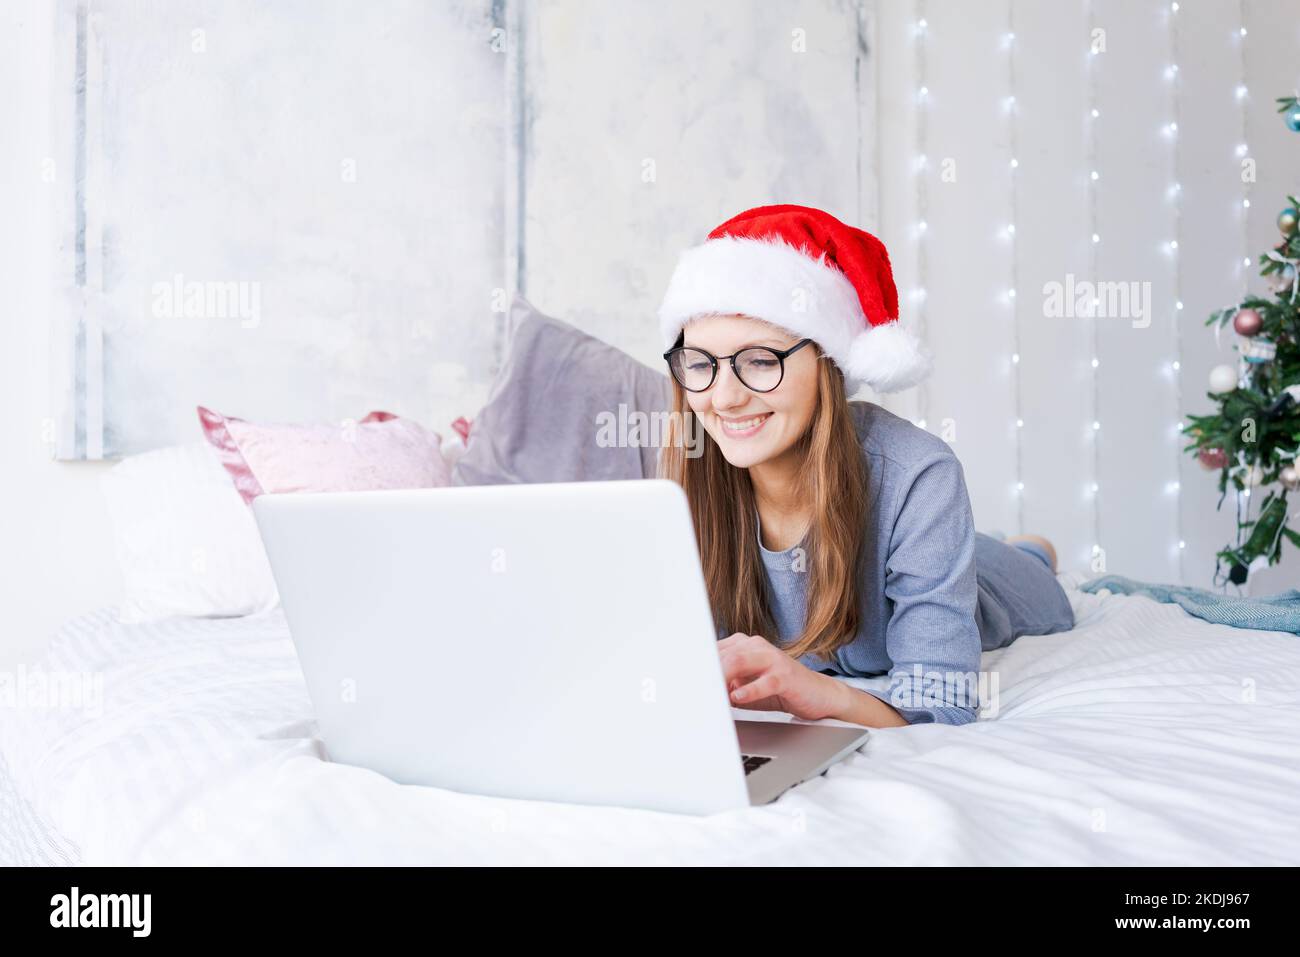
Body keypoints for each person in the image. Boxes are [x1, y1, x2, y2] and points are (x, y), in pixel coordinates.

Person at [656, 204, 1074, 728]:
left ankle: (1030, 550)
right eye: (700, 364)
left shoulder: (918, 475)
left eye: (761, 360)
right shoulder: (688, 476)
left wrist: (815, 693)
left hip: (998, 583)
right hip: (916, 549)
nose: (724, 397)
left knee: (1018, 564)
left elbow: (941, 701)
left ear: (828, 364)